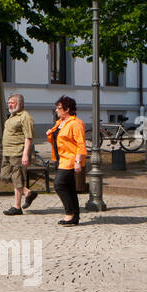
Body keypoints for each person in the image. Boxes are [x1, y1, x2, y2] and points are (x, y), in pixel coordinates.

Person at [46, 96, 87, 227]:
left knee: (59, 184)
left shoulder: (76, 123)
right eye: (56, 108)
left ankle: (69, 214)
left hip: (69, 160)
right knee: (69, 188)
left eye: (59, 108)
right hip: (60, 158)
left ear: (67, 109)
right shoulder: (60, 122)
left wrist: (78, 161)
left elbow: (81, 143)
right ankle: (75, 216)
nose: (56, 110)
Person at [0, 94, 37, 216]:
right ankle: (28, 193)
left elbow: (29, 137)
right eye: (9, 102)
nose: (10, 104)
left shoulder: (25, 117)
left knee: (17, 178)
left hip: (18, 152)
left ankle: (17, 207)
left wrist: (25, 154)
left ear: (20, 104)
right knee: (4, 176)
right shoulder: (11, 116)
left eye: (13, 103)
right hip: (7, 152)